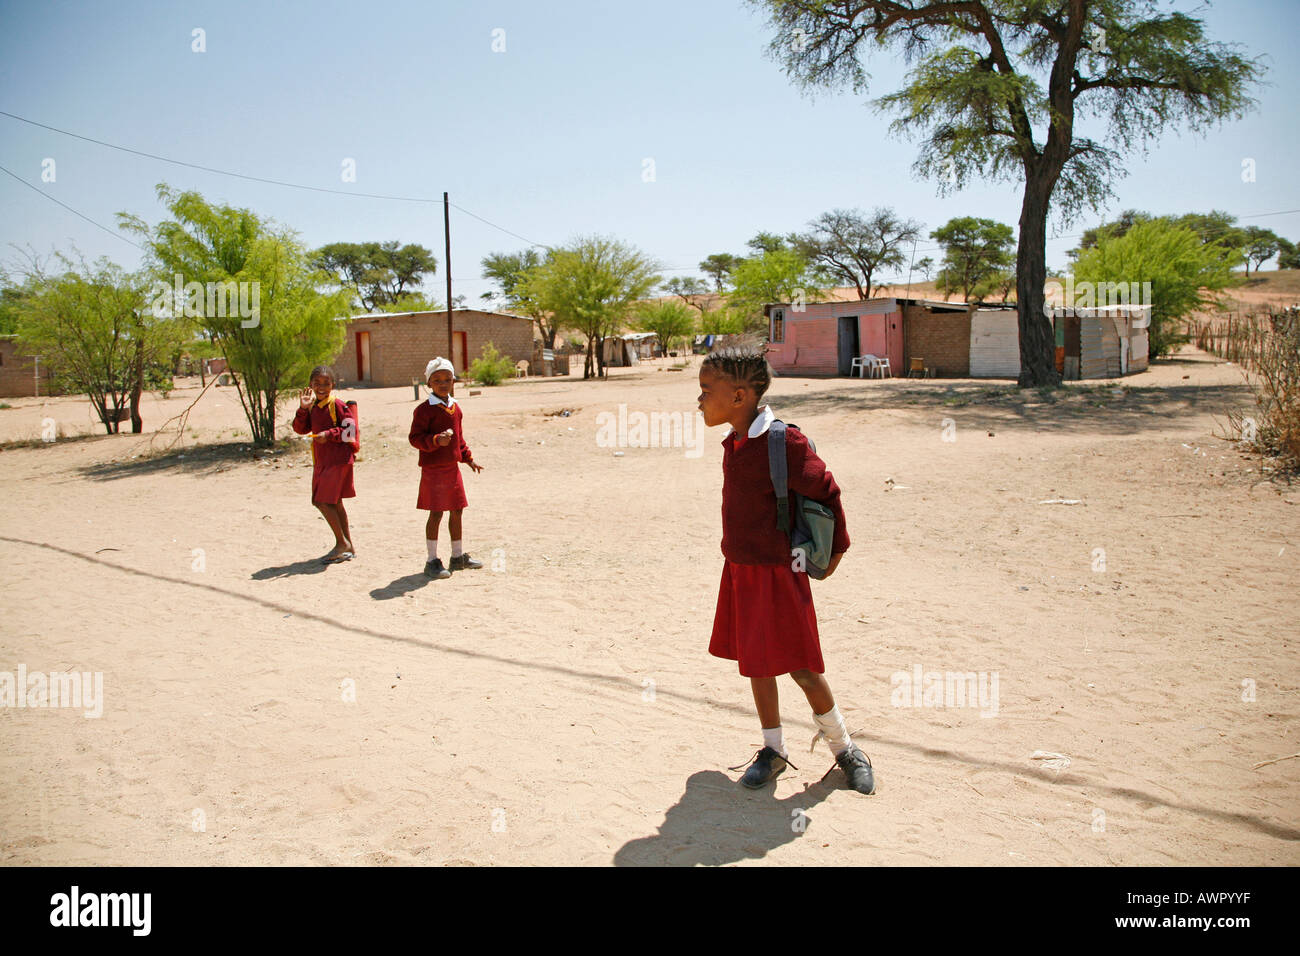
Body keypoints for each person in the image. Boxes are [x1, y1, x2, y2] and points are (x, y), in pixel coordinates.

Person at [696, 347, 874, 794]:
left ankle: (844, 748)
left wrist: (836, 553)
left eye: (705, 392)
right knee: (758, 665)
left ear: (739, 396)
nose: (698, 401)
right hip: (741, 571)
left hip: (780, 573)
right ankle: (774, 750)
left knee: (802, 667)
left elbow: (829, 491)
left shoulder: (784, 443)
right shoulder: (734, 441)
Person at [409, 357, 484, 579]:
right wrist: (434, 440)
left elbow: (459, 438)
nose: (443, 383)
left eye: (447, 379)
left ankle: (457, 556)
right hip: (433, 470)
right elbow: (415, 438)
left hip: (452, 469)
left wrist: (468, 458)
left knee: (457, 511)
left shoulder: (455, 408)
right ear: (429, 384)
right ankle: (431, 561)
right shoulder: (424, 410)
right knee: (436, 513)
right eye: (437, 380)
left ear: (454, 381)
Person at [292, 365, 358, 563]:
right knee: (335, 502)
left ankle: (341, 543)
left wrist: (328, 435)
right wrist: (303, 408)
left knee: (321, 501)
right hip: (322, 461)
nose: (321, 387)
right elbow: (300, 429)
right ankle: (348, 546)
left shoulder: (336, 405)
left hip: (337, 460)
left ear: (332, 385)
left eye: (326, 384)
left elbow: (350, 430)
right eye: (317, 383)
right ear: (310, 385)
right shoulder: (313, 407)